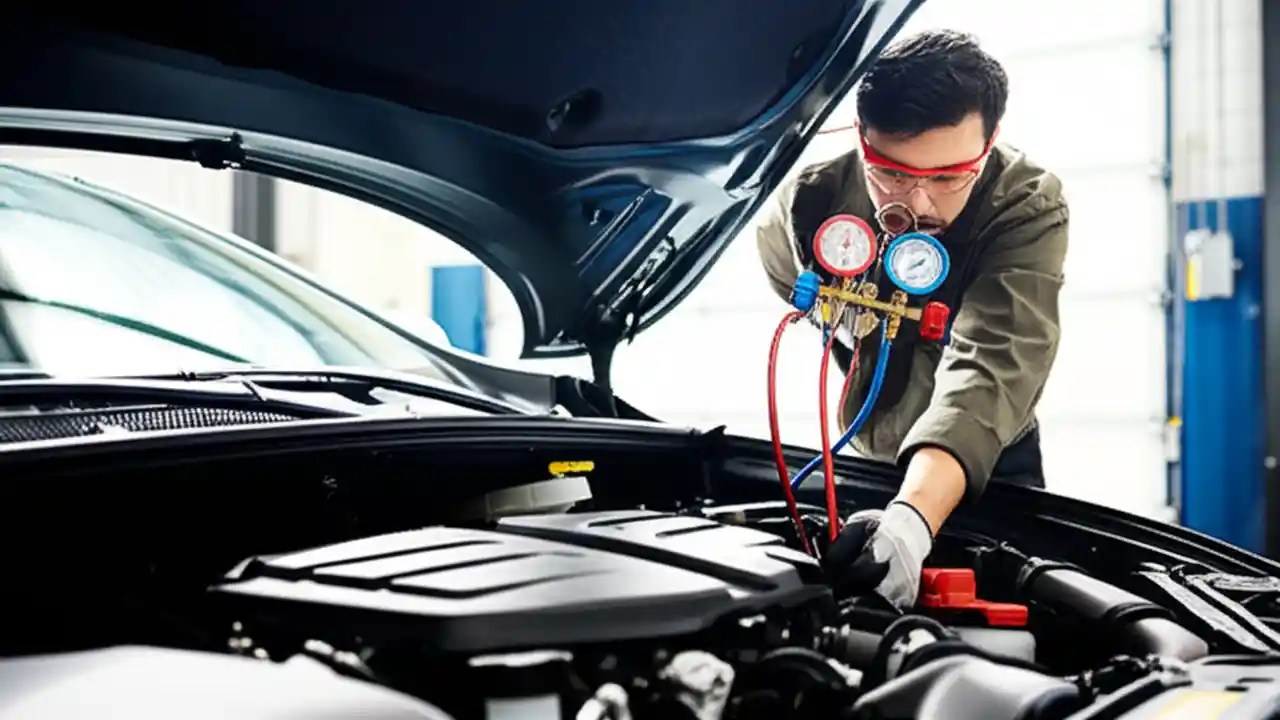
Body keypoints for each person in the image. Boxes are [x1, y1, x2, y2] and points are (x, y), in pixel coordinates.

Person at [755, 29, 1069, 610]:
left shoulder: (1026, 206)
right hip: (866, 454)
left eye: (949, 177)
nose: (918, 204)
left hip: (988, 460)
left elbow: (991, 367)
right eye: (892, 174)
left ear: (990, 140)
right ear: (861, 139)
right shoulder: (812, 199)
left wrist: (912, 520)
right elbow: (782, 269)